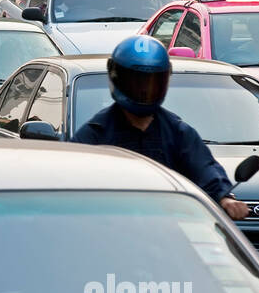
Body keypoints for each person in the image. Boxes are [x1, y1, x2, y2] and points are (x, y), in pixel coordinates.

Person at [72, 35, 249, 221]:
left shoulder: (177, 132)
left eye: (151, 84)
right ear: (116, 77)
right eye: (136, 83)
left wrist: (224, 198)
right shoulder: (94, 134)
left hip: (169, 230)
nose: (144, 92)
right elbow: (70, 182)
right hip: (111, 231)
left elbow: (204, 167)